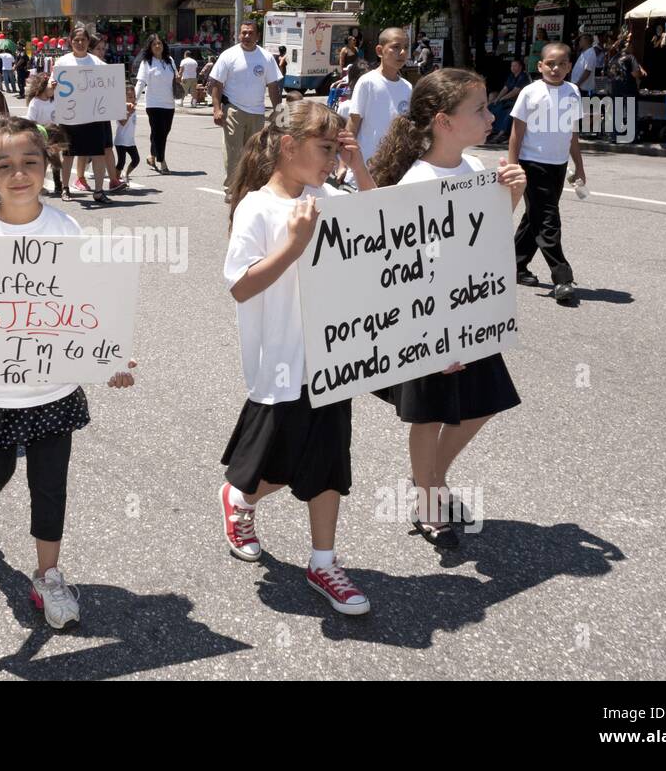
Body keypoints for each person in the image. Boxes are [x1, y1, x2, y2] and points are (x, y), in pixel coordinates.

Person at [0, 116, 136, 629]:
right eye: (5, 165)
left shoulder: (64, 228)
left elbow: (85, 303)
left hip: (54, 388)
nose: (19, 174)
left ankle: (49, 575)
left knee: (50, 485)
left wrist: (111, 354)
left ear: (47, 165)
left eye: (29, 163)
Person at [219, 99, 374, 615]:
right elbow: (241, 286)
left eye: (336, 150)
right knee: (278, 467)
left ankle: (323, 560)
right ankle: (240, 500)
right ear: (289, 147)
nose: (332, 159)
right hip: (281, 362)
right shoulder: (258, 208)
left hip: (332, 358)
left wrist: (359, 168)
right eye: (325, 148)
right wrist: (295, 243)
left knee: (328, 464)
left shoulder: (328, 193)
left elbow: (382, 229)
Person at [367, 68, 526, 549]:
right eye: (478, 109)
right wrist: (430, 340)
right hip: (428, 322)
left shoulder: (477, 172)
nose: (489, 115)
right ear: (444, 121)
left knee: (482, 405)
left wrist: (511, 198)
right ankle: (429, 497)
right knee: (430, 414)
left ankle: (430, 480)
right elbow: (403, 268)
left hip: (471, 315)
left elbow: (487, 244)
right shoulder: (417, 182)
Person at [508, 41, 584, 304]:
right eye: (550, 63)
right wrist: (512, 164)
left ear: (569, 66)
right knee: (549, 220)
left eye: (562, 63)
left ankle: (514, 264)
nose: (556, 68)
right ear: (540, 65)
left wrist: (579, 167)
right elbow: (516, 132)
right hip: (532, 163)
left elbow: (573, 133)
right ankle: (562, 277)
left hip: (559, 164)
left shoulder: (573, 91)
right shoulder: (530, 92)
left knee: (535, 217)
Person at [209, 19, 283, 191]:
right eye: (244, 32)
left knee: (254, 152)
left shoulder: (266, 57)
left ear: (257, 35)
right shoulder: (228, 55)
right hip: (234, 110)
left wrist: (279, 112)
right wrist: (217, 109)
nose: (247, 36)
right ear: (238, 34)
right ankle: (233, 187)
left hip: (257, 112)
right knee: (234, 151)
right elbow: (217, 85)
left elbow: (273, 88)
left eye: (251, 33)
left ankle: (250, 186)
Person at [340, 27, 413, 177]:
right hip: (367, 167)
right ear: (380, 51)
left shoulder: (407, 87)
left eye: (406, 47)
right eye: (396, 47)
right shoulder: (368, 82)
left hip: (396, 168)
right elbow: (352, 125)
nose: (403, 53)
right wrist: (343, 164)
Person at [56, 23, 115, 204]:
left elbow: (108, 87)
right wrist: (53, 87)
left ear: (88, 41)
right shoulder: (62, 62)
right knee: (68, 154)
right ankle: (65, 188)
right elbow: (54, 87)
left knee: (97, 153)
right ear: (70, 41)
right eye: (76, 40)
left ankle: (98, 191)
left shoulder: (97, 62)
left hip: (92, 116)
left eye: (83, 40)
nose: (80, 43)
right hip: (69, 116)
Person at [136, 33, 177, 174]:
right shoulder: (147, 62)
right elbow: (140, 82)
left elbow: (175, 78)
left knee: (162, 132)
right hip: (153, 104)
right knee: (159, 133)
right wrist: (133, 101)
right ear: (150, 47)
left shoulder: (170, 60)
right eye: (154, 44)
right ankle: (162, 161)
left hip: (169, 103)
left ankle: (152, 156)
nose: (157, 46)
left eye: (160, 43)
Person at [24, 71, 64, 196]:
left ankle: (58, 184)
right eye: (51, 88)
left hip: (54, 134)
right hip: (41, 135)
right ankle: (39, 186)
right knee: (42, 163)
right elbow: (30, 121)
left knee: (56, 160)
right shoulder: (35, 103)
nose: (53, 90)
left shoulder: (54, 100)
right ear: (42, 87)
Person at [486, 58, 531, 143]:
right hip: (508, 101)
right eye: (512, 66)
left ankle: (502, 134)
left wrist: (503, 98)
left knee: (509, 113)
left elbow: (515, 91)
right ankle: (491, 131)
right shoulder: (511, 76)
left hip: (518, 102)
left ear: (520, 67)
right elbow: (505, 88)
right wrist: (498, 99)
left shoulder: (523, 76)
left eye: (515, 66)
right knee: (492, 107)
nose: (512, 67)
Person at [112, 84, 140, 184]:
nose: (132, 99)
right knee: (121, 162)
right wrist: (129, 112)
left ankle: (126, 174)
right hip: (121, 141)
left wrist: (131, 110)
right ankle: (115, 180)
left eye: (134, 96)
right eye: (129, 97)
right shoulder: (121, 108)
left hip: (130, 141)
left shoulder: (133, 108)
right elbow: (122, 123)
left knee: (136, 160)